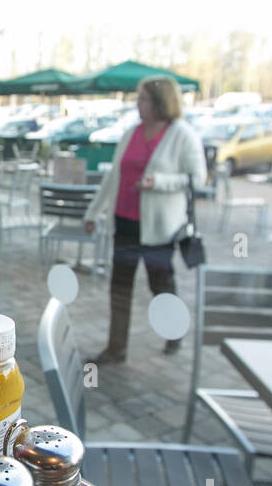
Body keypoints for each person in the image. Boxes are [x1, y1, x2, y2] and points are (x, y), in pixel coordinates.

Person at [84, 76, 206, 363]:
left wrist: (159, 181)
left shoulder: (182, 134)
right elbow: (112, 177)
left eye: (143, 99)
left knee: (160, 285)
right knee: (120, 288)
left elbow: (198, 179)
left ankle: (174, 333)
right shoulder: (132, 132)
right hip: (124, 222)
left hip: (159, 229)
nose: (137, 104)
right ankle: (116, 348)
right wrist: (93, 212)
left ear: (159, 103)